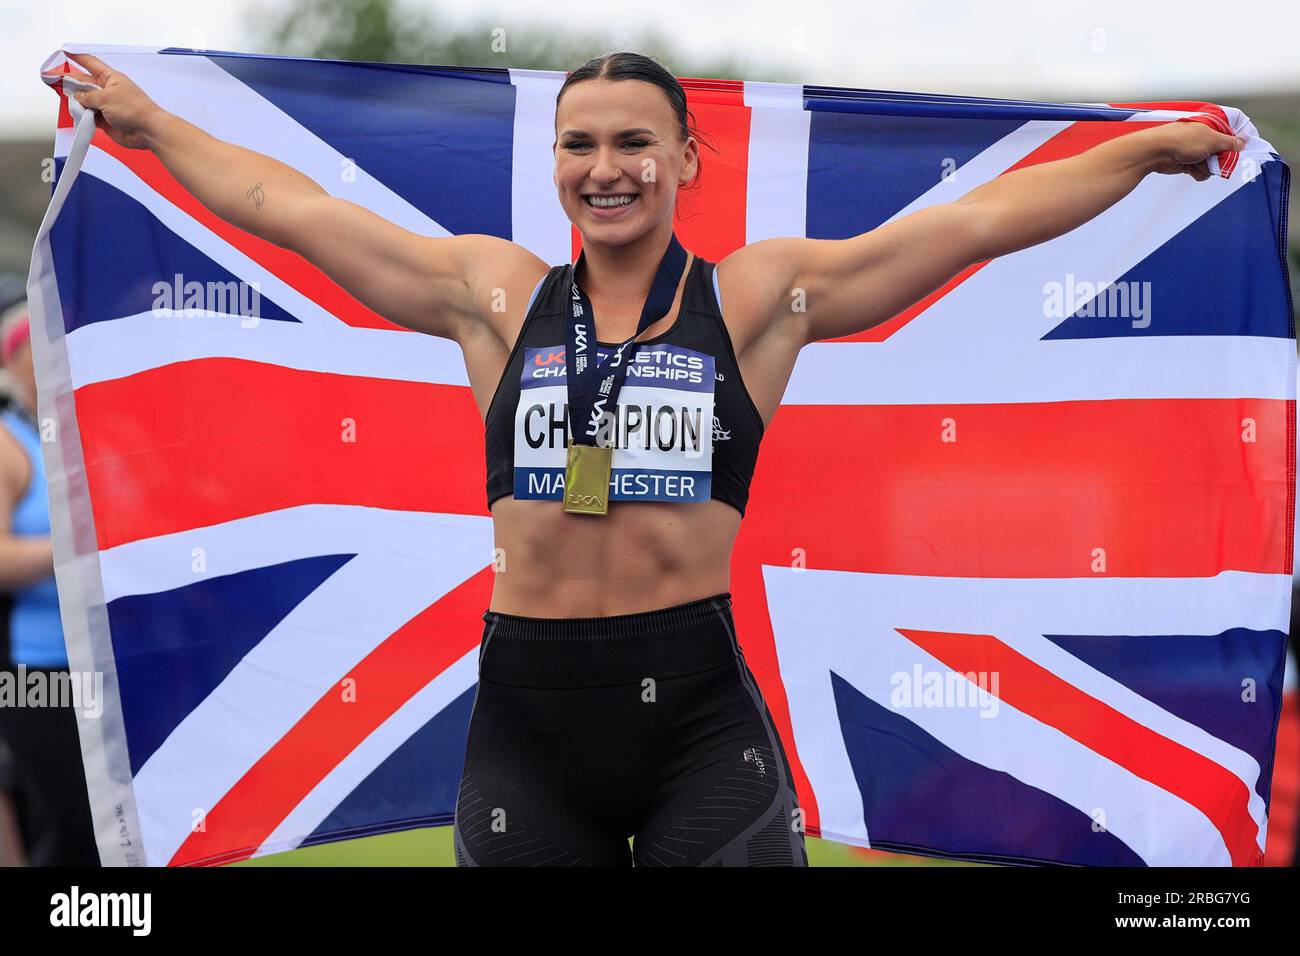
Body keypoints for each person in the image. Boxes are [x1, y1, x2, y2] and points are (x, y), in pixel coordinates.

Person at [63, 48, 1239, 867]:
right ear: (556, 162)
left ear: (686, 160)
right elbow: (291, 204)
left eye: (635, 142)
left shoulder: (757, 297)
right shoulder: (492, 294)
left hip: (693, 712)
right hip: (526, 712)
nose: (604, 167)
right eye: (580, 144)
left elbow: (969, 224)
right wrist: (151, 123)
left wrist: (1138, 156)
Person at [0, 302, 100, 866]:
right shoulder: (9, 444)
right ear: (12, 362)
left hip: (110, 664)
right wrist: (76, 547)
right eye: (34, 347)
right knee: (70, 828)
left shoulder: (90, 434)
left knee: (120, 834)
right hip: (40, 673)